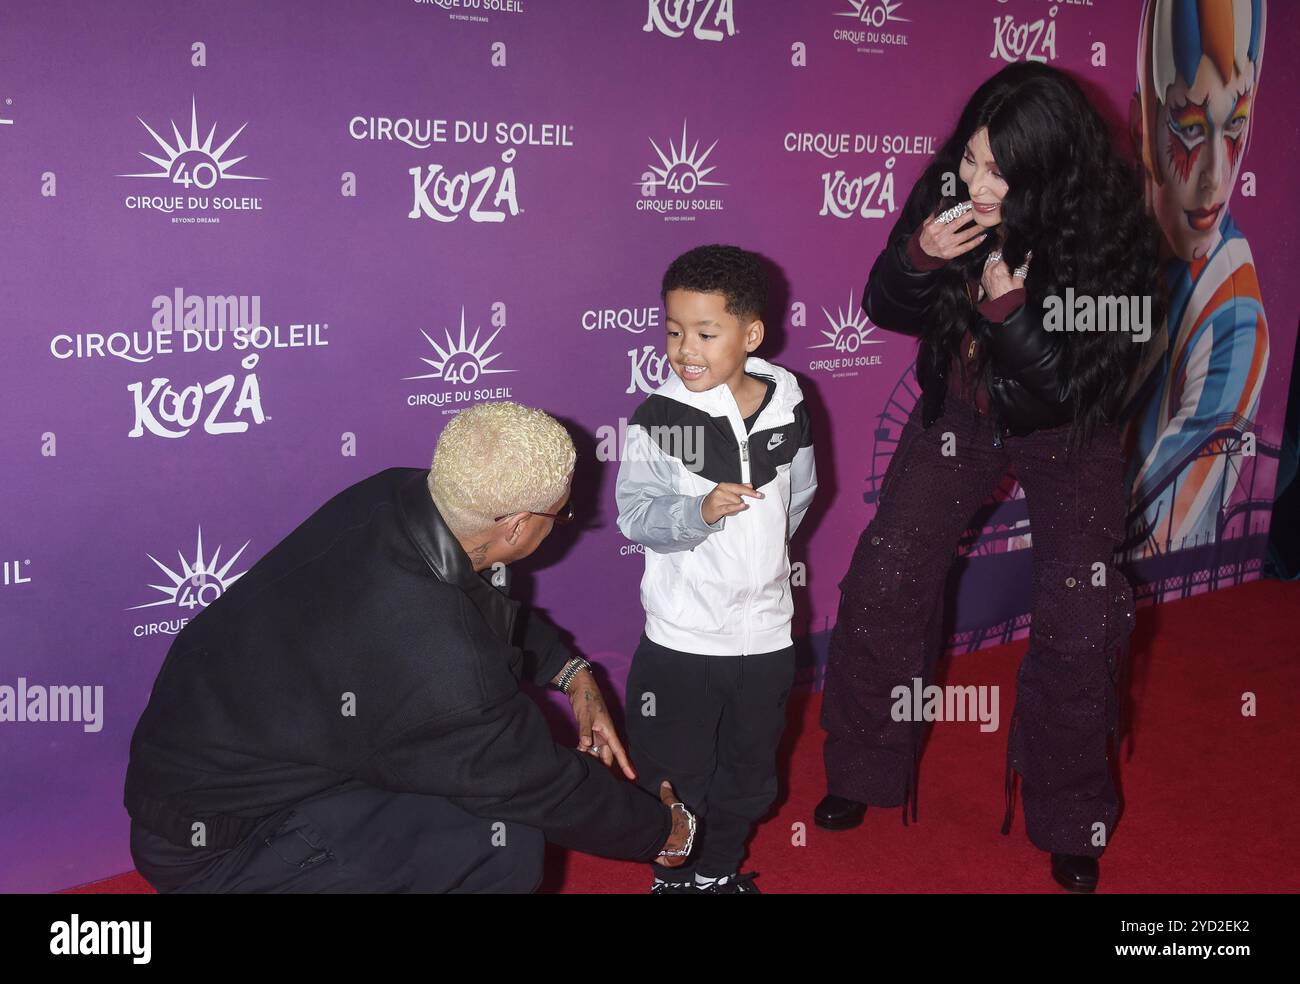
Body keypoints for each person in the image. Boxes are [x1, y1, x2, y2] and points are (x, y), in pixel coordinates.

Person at [814, 62, 1163, 893]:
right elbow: (886, 306)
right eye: (970, 157)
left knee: (1084, 617)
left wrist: (1009, 314)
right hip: (964, 409)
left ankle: (1068, 815)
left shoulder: (1117, 238)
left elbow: (1084, 389)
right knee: (885, 577)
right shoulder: (947, 195)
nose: (974, 181)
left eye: (998, 170)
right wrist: (918, 256)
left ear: (1049, 170)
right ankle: (861, 771)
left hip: (1068, 430)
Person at [124, 400, 694, 893]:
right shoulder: (440, 663)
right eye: (562, 513)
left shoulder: (394, 498)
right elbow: (541, 785)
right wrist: (663, 831)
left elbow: (481, 609)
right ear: (518, 526)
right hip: (219, 853)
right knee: (504, 844)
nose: (565, 521)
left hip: (209, 778)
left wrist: (572, 672)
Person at [616, 244, 818, 894]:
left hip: (765, 636)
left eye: (706, 332)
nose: (685, 349)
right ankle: (669, 879)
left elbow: (802, 495)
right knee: (678, 774)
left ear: (750, 333)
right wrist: (697, 512)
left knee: (751, 774)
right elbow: (635, 515)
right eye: (673, 331)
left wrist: (759, 559)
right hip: (682, 638)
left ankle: (717, 874)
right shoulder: (658, 417)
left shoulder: (790, 403)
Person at [1122, 0, 1269, 559]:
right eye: (1189, 128)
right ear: (1143, 125)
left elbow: (1151, 533)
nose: (1217, 174)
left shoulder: (1230, 315)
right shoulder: (1115, 235)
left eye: (1234, 126)